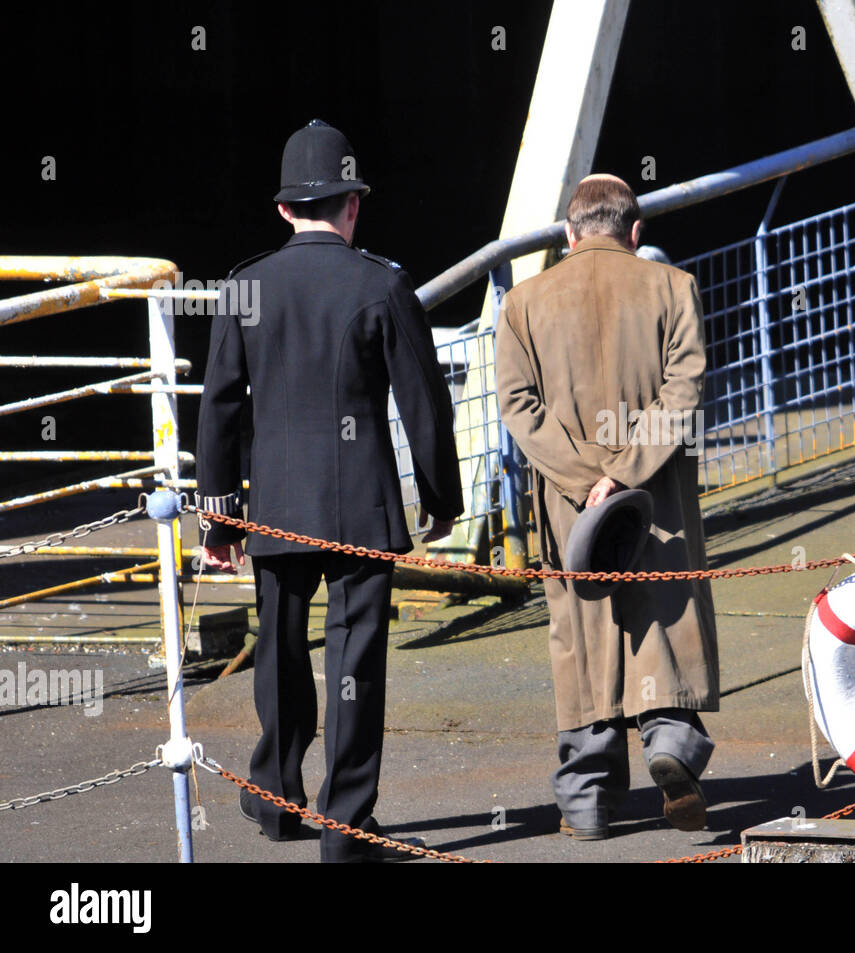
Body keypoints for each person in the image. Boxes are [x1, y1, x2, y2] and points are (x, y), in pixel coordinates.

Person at [196, 119, 462, 862]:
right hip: (362, 509)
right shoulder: (382, 283)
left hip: (276, 506)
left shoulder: (246, 285)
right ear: (353, 205)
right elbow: (424, 403)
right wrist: (441, 499)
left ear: (284, 210)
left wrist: (220, 521)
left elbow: (218, 406)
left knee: (278, 652)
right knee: (356, 665)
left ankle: (277, 799)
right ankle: (347, 828)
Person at [496, 174, 720, 840]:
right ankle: (670, 742)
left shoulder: (524, 303)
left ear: (570, 233)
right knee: (661, 612)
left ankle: (589, 796)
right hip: (656, 494)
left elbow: (518, 406)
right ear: (635, 231)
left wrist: (583, 480)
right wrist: (623, 476)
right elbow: (686, 385)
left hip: (570, 501)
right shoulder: (673, 287)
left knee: (582, 632)